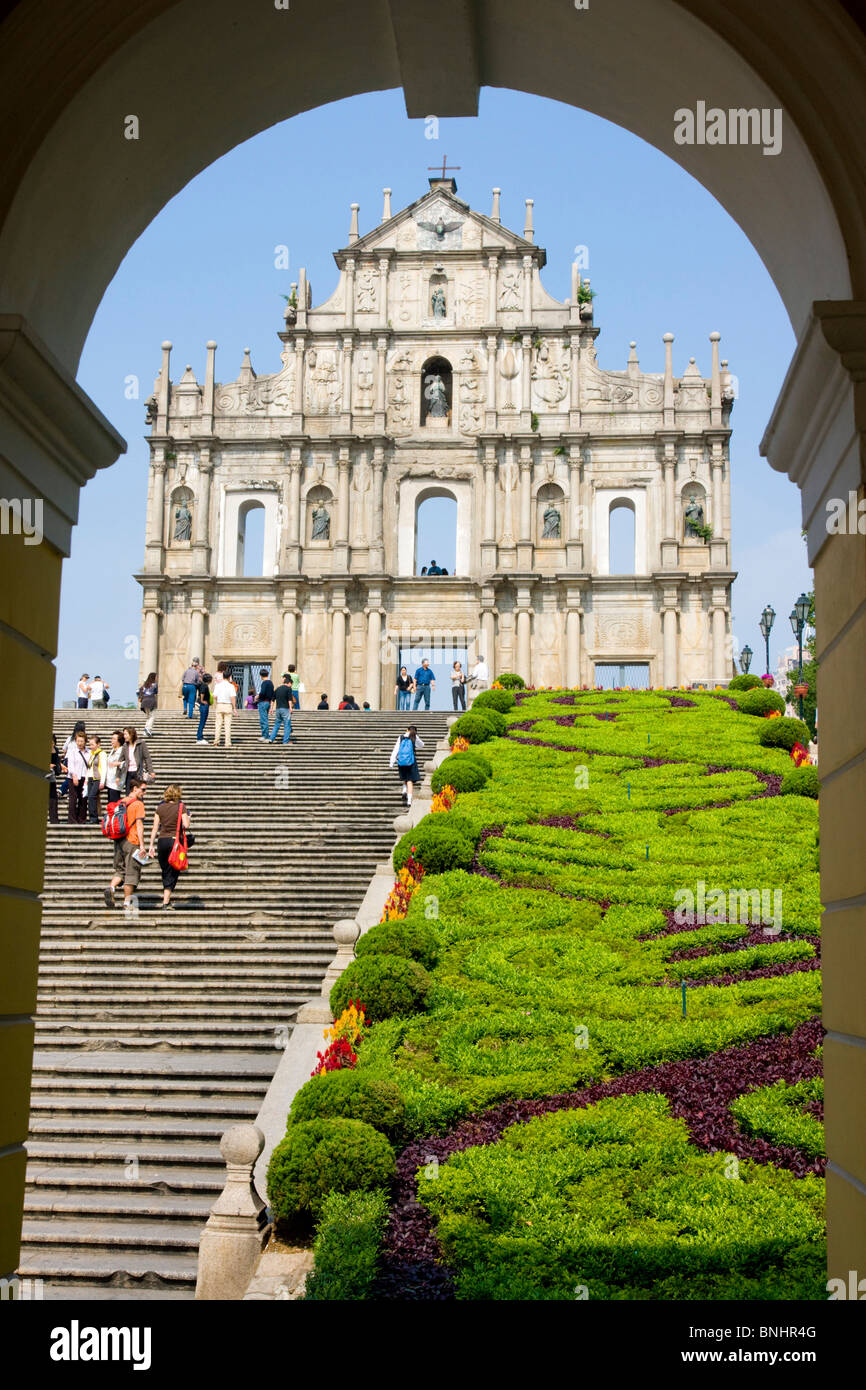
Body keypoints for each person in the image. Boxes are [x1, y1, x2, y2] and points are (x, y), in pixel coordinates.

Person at [104, 776, 148, 913]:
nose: (144, 793)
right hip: (132, 840)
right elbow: (139, 825)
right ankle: (127, 902)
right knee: (131, 873)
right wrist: (142, 845)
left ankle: (111, 887)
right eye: (143, 790)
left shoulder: (121, 802)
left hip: (119, 840)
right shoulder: (138, 804)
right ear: (135, 789)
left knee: (120, 870)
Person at [148, 783, 194, 910]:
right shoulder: (181, 807)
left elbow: (155, 828)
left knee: (166, 869)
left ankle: (166, 899)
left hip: (161, 841)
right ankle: (166, 901)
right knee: (173, 870)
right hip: (174, 842)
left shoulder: (160, 808)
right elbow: (186, 825)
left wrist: (151, 845)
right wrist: (188, 818)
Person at [389, 725, 425, 806]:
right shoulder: (414, 737)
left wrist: (392, 761)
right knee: (410, 781)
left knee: (405, 778)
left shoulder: (401, 737)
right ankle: (409, 801)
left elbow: (396, 749)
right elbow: (422, 745)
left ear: (407, 730)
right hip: (411, 761)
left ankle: (404, 791)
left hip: (401, 761)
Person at [64, 729, 89, 823]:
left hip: (84, 777)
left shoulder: (89, 752)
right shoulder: (72, 751)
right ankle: (72, 819)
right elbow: (70, 765)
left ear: (85, 741)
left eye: (81, 741)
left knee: (83, 799)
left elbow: (89, 766)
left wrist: (87, 778)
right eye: (78, 741)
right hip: (73, 777)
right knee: (73, 799)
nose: (79, 743)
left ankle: (81, 819)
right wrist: (74, 775)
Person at [123, 725, 154, 791]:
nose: (124, 736)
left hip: (138, 772)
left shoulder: (141, 744)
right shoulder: (125, 745)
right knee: (128, 793)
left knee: (139, 792)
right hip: (128, 772)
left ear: (131, 734)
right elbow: (121, 758)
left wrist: (151, 771)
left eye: (126, 734)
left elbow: (147, 757)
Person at [212, 668, 237, 747]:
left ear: (222, 676)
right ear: (230, 677)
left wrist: (219, 699)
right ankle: (227, 742)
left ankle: (216, 741)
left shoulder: (218, 685)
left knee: (218, 724)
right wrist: (234, 708)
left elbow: (215, 696)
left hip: (219, 704)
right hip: (228, 705)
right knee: (227, 725)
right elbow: (233, 697)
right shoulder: (231, 686)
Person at [86, 734, 107, 824]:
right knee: (90, 798)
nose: (91, 746)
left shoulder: (102, 754)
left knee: (92, 797)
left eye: (92, 744)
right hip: (90, 778)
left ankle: (94, 818)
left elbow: (104, 768)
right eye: (90, 745)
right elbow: (89, 768)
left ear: (98, 744)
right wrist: (87, 779)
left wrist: (102, 781)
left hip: (97, 778)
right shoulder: (91, 754)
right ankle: (92, 817)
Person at [269, 674, 293, 743]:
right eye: (291, 684)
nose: (291, 686)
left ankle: (271, 739)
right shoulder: (289, 689)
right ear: (289, 683)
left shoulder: (277, 689)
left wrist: (271, 708)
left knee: (276, 725)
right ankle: (285, 741)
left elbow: (273, 699)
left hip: (278, 709)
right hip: (285, 709)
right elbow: (289, 699)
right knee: (287, 725)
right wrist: (290, 708)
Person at [105, 730, 126, 804]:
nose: (112, 741)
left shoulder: (122, 751)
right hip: (110, 781)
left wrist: (119, 763)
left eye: (114, 739)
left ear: (119, 741)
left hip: (116, 782)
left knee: (114, 803)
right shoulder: (113, 750)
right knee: (110, 803)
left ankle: (116, 815)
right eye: (112, 738)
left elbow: (127, 763)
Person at [256, 667, 275, 740]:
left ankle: (265, 736)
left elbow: (263, 692)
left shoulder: (264, 683)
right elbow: (272, 694)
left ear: (261, 675)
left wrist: (258, 696)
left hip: (263, 702)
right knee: (265, 719)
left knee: (263, 720)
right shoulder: (271, 683)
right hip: (268, 702)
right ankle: (265, 735)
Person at [137, 672, 158, 737]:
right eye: (156, 677)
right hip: (151, 701)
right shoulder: (154, 685)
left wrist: (140, 697)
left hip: (144, 701)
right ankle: (148, 728)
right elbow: (156, 691)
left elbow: (139, 691)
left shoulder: (144, 685)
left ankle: (145, 730)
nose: (157, 678)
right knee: (152, 717)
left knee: (148, 717)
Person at [47, 736, 61, 824]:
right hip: (43, 775)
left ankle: (54, 819)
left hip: (51, 776)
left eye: (53, 742)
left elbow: (56, 762)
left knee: (53, 797)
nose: (52, 744)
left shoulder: (55, 750)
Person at [195, 673, 212, 745]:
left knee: (203, 721)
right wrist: (202, 701)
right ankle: (199, 738)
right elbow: (202, 693)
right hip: (204, 705)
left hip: (204, 705)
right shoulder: (204, 686)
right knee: (202, 721)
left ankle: (200, 737)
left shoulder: (204, 685)